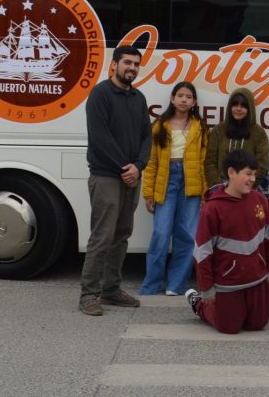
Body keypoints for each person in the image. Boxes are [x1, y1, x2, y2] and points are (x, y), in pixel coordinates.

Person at [78, 46, 153, 316]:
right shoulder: (100, 94)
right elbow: (100, 138)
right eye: (127, 63)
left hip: (131, 177)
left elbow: (147, 136)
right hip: (107, 176)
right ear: (115, 65)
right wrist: (126, 168)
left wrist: (139, 166)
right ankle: (88, 295)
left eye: (136, 64)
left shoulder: (138, 97)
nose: (132, 68)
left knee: (121, 236)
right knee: (102, 237)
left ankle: (111, 290)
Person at [184, 150, 269, 334]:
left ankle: (238, 308)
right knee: (229, 328)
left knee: (258, 325)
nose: (253, 179)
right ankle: (199, 304)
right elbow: (202, 252)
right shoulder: (213, 208)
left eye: (254, 173)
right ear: (231, 173)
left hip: (256, 279)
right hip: (227, 283)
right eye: (248, 173)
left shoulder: (259, 200)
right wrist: (207, 289)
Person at [139, 81, 208, 297]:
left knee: (187, 236)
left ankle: (176, 284)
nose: (184, 100)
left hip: (191, 184)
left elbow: (205, 161)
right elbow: (151, 163)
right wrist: (148, 193)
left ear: (194, 102)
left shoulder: (200, 127)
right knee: (161, 233)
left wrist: (206, 193)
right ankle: (151, 284)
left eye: (189, 96)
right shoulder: (160, 125)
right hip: (167, 181)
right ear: (172, 98)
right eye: (180, 95)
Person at [205, 88, 269, 187]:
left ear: (250, 109)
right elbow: (210, 162)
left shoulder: (258, 132)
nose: (238, 109)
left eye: (243, 106)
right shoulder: (218, 130)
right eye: (235, 105)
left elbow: (262, 166)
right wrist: (219, 186)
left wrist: (247, 184)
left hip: (247, 187)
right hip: (221, 186)